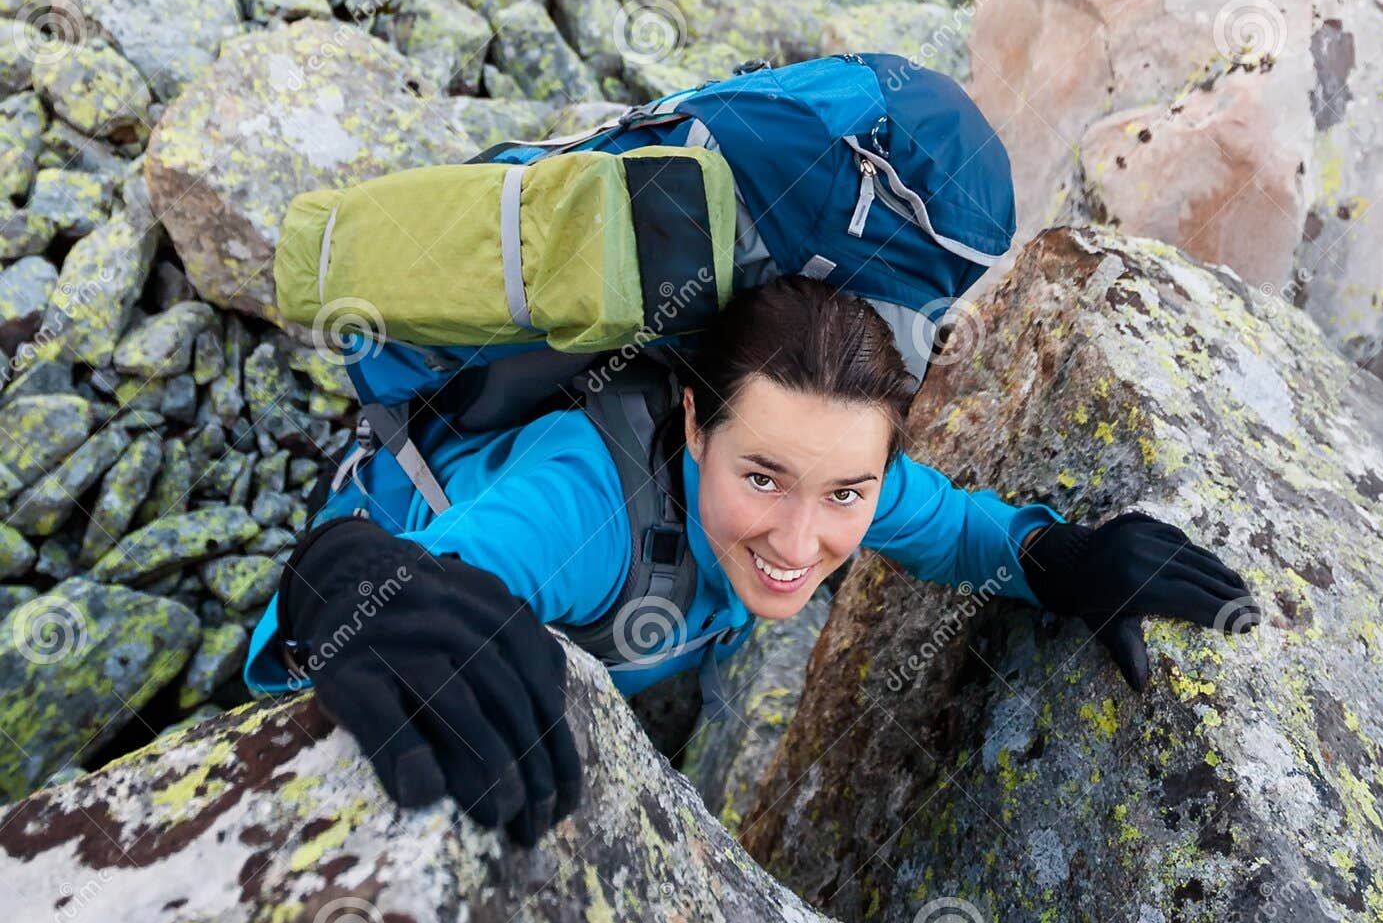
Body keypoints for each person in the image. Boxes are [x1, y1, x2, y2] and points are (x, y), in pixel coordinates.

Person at [246, 277, 1257, 848]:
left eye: (846, 496)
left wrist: (1060, 556)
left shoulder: (846, 474)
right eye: (762, 478)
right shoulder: (586, 506)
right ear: (693, 423)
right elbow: (430, 582)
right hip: (419, 505)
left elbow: (962, 535)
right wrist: (336, 582)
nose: (798, 542)